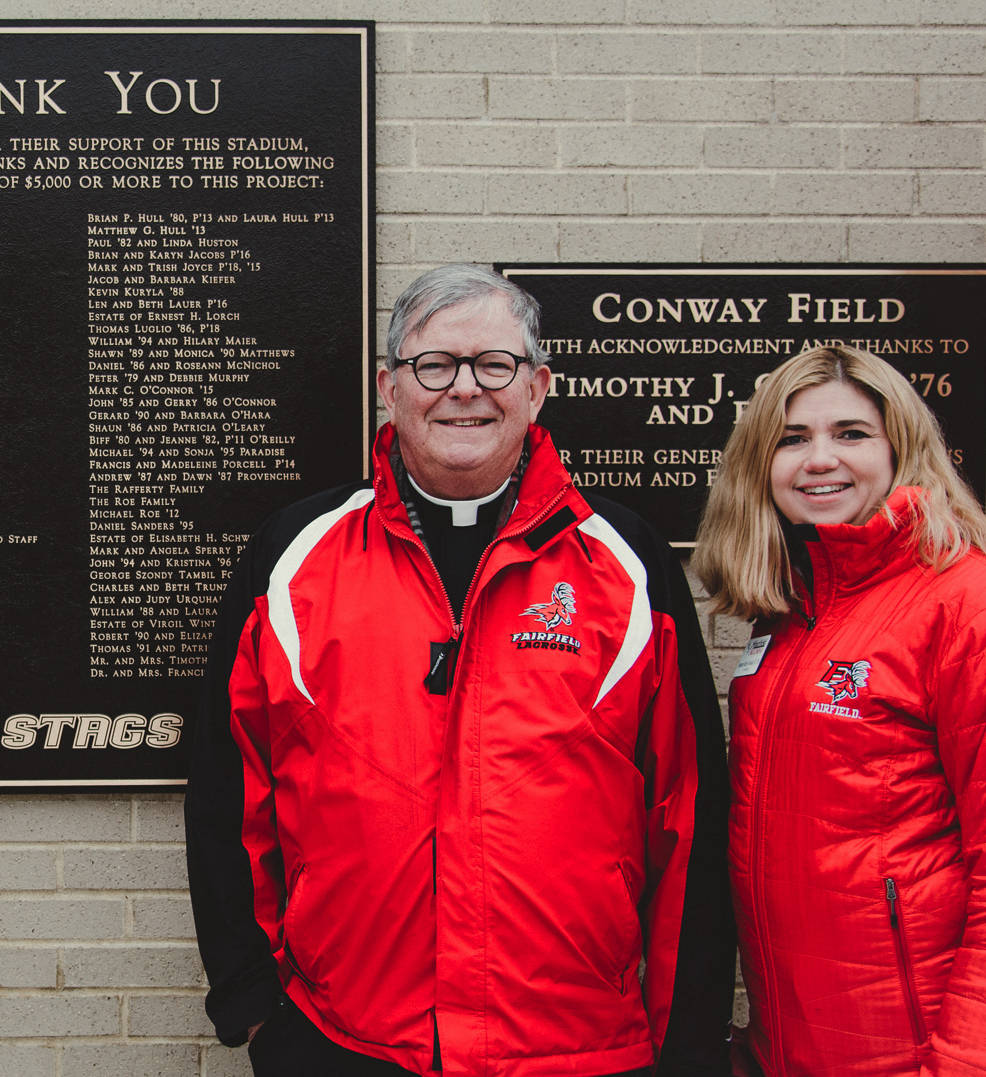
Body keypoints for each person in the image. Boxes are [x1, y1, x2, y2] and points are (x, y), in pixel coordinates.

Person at [184, 263, 734, 1075]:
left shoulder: (623, 558)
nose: (464, 390)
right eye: (434, 365)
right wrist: (254, 1005)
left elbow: (689, 807)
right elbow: (230, 784)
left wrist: (687, 1044)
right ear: (390, 387)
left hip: (574, 1045)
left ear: (538, 386)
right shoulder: (295, 553)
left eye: (495, 364)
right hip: (345, 1036)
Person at [692, 345, 986, 1075]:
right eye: (792, 439)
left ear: (902, 450)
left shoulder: (961, 602)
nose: (819, 458)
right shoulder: (792, 614)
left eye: (851, 434)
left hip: (912, 1055)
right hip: (791, 1049)